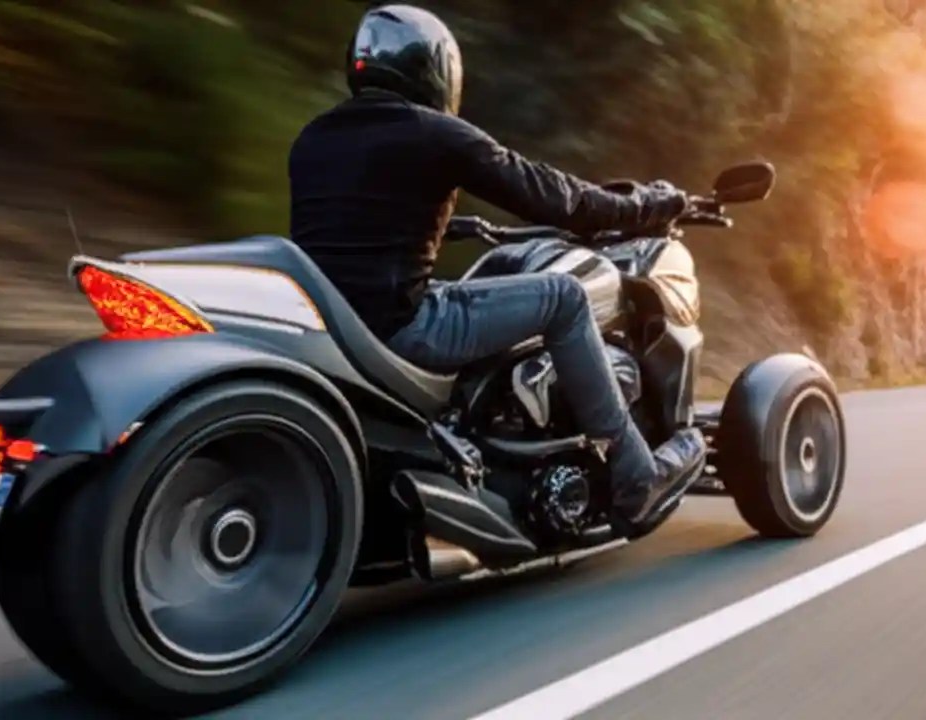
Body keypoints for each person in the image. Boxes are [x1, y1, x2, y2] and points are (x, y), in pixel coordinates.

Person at [287, 4, 706, 537]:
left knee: (467, 290)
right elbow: (558, 199)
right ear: (434, 72)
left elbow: (363, 219)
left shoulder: (314, 139)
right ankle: (636, 474)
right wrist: (649, 204)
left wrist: (448, 223)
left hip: (336, 325)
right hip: (405, 328)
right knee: (564, 297)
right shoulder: (435, 134)